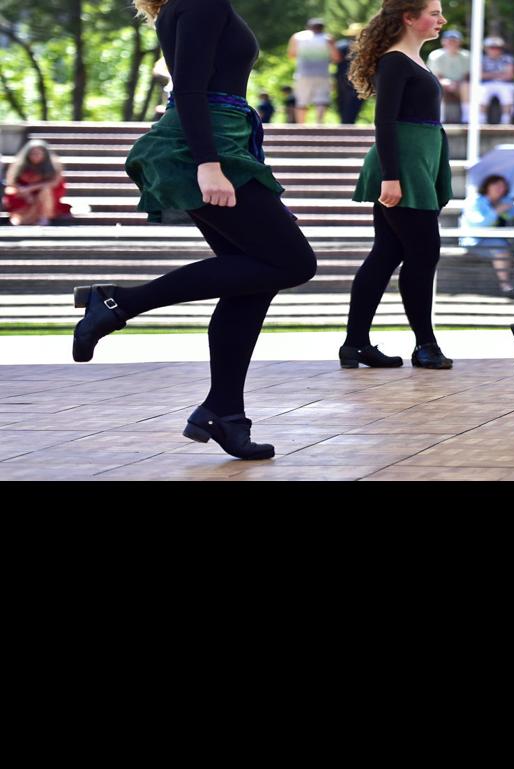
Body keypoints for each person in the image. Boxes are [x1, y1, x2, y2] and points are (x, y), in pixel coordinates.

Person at [77, 0, 319, 460]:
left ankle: (223, 413)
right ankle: (118, 302)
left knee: (254, 278)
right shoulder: (200, 2)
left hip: (221, 143)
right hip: (203, 148)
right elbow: (187, 90)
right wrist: (209, 166)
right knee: (293, 263)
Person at [343, 0, 456, 370]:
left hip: (416, 163)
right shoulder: (395, 61)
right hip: (403, 168)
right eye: (434, 12)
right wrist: (392, 177)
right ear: (409, 18)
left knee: (387, 254)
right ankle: (425, 344)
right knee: (423, 253)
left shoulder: (414, 60)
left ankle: (355, 344)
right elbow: (385, 122)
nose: (442, 19)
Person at [461, 175, 514, 294]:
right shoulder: (475, 202)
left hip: (505, 240)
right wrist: (497, 211)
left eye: (503, 185)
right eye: (496, 185)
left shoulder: (507, 201)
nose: (500, 188)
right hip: (476, 241)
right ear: (487, 186)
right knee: (500, 248)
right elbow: (479, 225)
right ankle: (506, 286)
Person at [5, 140, 73, 226]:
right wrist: (27, 194)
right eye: (32, 153)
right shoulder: (19, 166)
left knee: (45, 190)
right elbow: (12, 182)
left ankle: (43, 217)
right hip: (24, 195)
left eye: (38, 153)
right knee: (11, 191)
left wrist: (31, 188)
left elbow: (54, 183)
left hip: (45, 196)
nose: (35, 156)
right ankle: (23, 216)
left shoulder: (54, 167)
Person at [288, 17, 336, 124]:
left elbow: (291, 54)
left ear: (308, 27)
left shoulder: (297, 37)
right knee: (321, 100)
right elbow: (336, 57)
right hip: (323, 73)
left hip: (303, 73)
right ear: (323, 28)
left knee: (301, 101)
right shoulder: (328, 38)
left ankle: (301, 125)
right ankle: (319, 123)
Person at [427, 29, 470, 123]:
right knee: (437, 86)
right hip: (442, 83)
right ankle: (439, 118)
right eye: (449, 40)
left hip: (460, 84)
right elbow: (434, 76)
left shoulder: (466, 55)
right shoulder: (435, 55)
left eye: (455, 41)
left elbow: (467, 75)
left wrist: (457, 84)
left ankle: (467, 119)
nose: (452, 43)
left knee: (466, 86)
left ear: (459, 42)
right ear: (443, 42)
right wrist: (446, 83)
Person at [478, 36, 514, 124]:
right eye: (492, 47)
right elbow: (479, 75)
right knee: (481, 93)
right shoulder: (480, 58)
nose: (495, 50)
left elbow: (509, 75)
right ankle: (481, 120)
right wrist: (499, 74)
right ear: (486, 48)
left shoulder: (508, 58)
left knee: (507, 93)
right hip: (486, 84)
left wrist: (489, 75)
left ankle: (506, 120)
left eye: (498, 48)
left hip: (505, 84)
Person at [335, 27, 366, 124]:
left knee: (342, 99)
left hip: (342, 76)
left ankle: (344, 121)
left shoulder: (341, 45)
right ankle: (350, 121)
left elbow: (335, 59)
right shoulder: (365, 46)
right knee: (357, 99)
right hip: (360, 76)